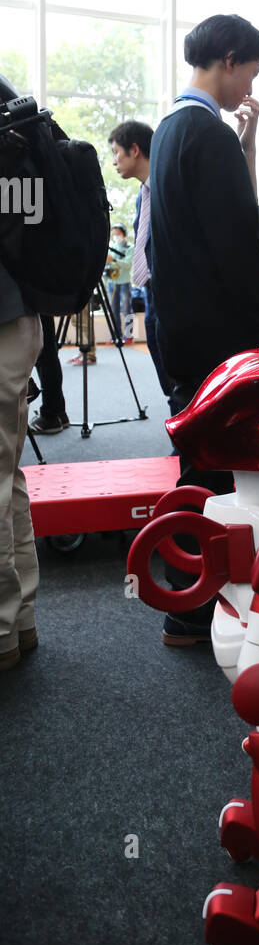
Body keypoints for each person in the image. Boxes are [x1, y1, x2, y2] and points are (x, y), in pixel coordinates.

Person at [149, 13, 259, 646]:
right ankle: (208, 605)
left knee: (199, 468)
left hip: (181, 330)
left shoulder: (170, 129)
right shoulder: (206, 133)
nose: (251, 83)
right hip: (219, 338)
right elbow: (239, 248)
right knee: (225, 472)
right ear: (229, 59)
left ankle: (188, 601)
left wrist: (246, 146)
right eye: (252, 69)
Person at [0, 254, 43, 671]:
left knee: (5, 480)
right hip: (19, 314)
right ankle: (19, 621)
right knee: (8, 478)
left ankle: (3, 631)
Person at [109, 120, 173, 399]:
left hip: (169, 293)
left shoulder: (169, 188)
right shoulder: (142, 196)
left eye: (116, 153)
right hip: (150, 294)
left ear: (135, 150)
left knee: (178, 376)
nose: (114, 162)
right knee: (166, 377)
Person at [29, 314, 70, 434]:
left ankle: (50, 415)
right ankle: (58, 412)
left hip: (33, 300)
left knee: (45, 354)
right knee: (48, 349)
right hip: (44, 300)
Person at [105, 223, 133, 344]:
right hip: (112, 282)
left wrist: (114, 259)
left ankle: (130, 336)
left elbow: (127, 264)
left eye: (118, 234)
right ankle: (116, 336)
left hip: (125, 282)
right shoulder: (112, 246)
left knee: (127, 309)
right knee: (113, 310)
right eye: (114, 234)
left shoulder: (129, 247)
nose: (116, 236)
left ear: (124, 234)